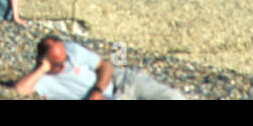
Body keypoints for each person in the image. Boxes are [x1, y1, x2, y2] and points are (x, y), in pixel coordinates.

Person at [14, 36, 186, 100]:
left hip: (120, 81)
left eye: (64, 58)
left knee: (174, 97)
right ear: (44, 61)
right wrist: (42, 68)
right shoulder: (44, 80)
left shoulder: (73, 51)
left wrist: (97, 90)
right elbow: (19, 90)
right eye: (58, 63)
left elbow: (105, 66)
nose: (65, 64)